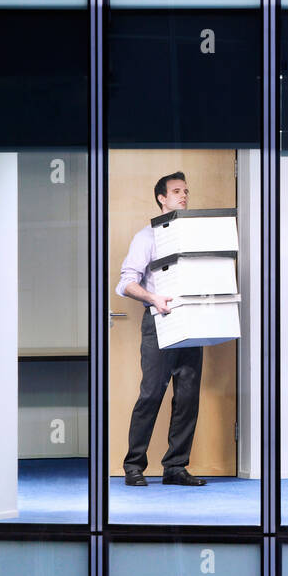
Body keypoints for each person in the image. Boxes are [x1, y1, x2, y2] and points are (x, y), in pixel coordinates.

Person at [116, 171, 206, 487]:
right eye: (176, 191)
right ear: (162, 198)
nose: (183, 195)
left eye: (186, 191)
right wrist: (153, 297)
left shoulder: (193, 236)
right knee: (152, 393)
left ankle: (176, 468)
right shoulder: (147, 237)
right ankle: (133, 467)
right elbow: (125, 283)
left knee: (187, 396)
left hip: (191, 323)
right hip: (159, 321)